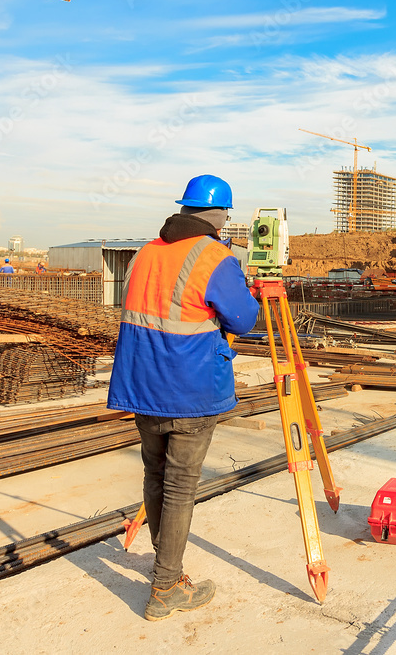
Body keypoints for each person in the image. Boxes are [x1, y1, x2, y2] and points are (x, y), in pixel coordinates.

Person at [107, 174, 258, 622]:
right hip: (189, 390)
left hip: (142, 385)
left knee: (155, 477)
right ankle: (165, 587)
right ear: (219, 216)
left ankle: (165, 572)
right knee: (179, 488)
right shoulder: (215, 256)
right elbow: (244, 318)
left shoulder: (145, 252)